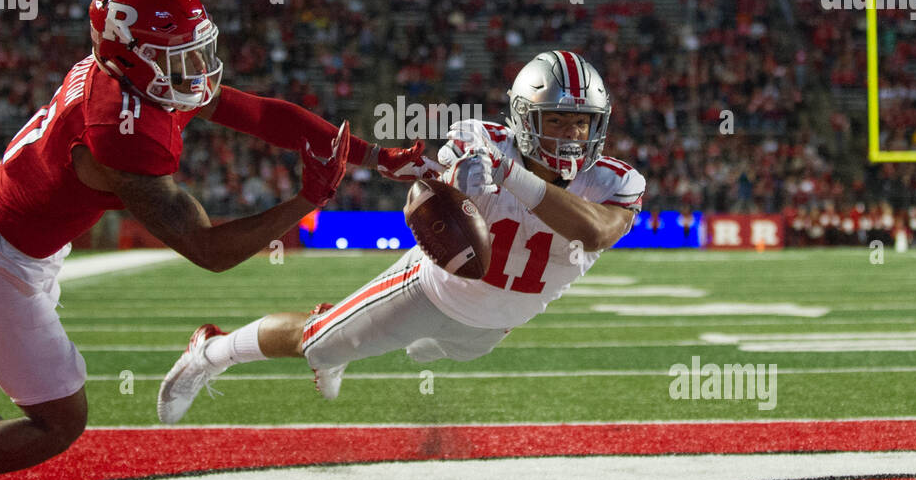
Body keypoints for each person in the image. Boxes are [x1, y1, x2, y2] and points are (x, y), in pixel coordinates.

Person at [0, 0, 430, 480]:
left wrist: (374, 157)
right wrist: (310, 198)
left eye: (195, 50)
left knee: (7, 322)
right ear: (130, 59)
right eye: (177, 56)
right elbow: (207, 250)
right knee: (60, 421)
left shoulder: (131, 79)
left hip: (4, 218)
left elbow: (260, 114)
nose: (196, 69)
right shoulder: (122, 133)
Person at [158, 50, 645, 421]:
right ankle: (210, 351)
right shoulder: (483, 140)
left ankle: (364, 333)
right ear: (522, 118)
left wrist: (510, 175)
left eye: (582, 122)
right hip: (429, 290)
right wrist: (461, 175)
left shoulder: (617, 182)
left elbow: (597, 231)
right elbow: (453, 173)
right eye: (555, 120)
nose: (570, 135)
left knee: (448, 348)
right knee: (320, 344)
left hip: (495, 324)